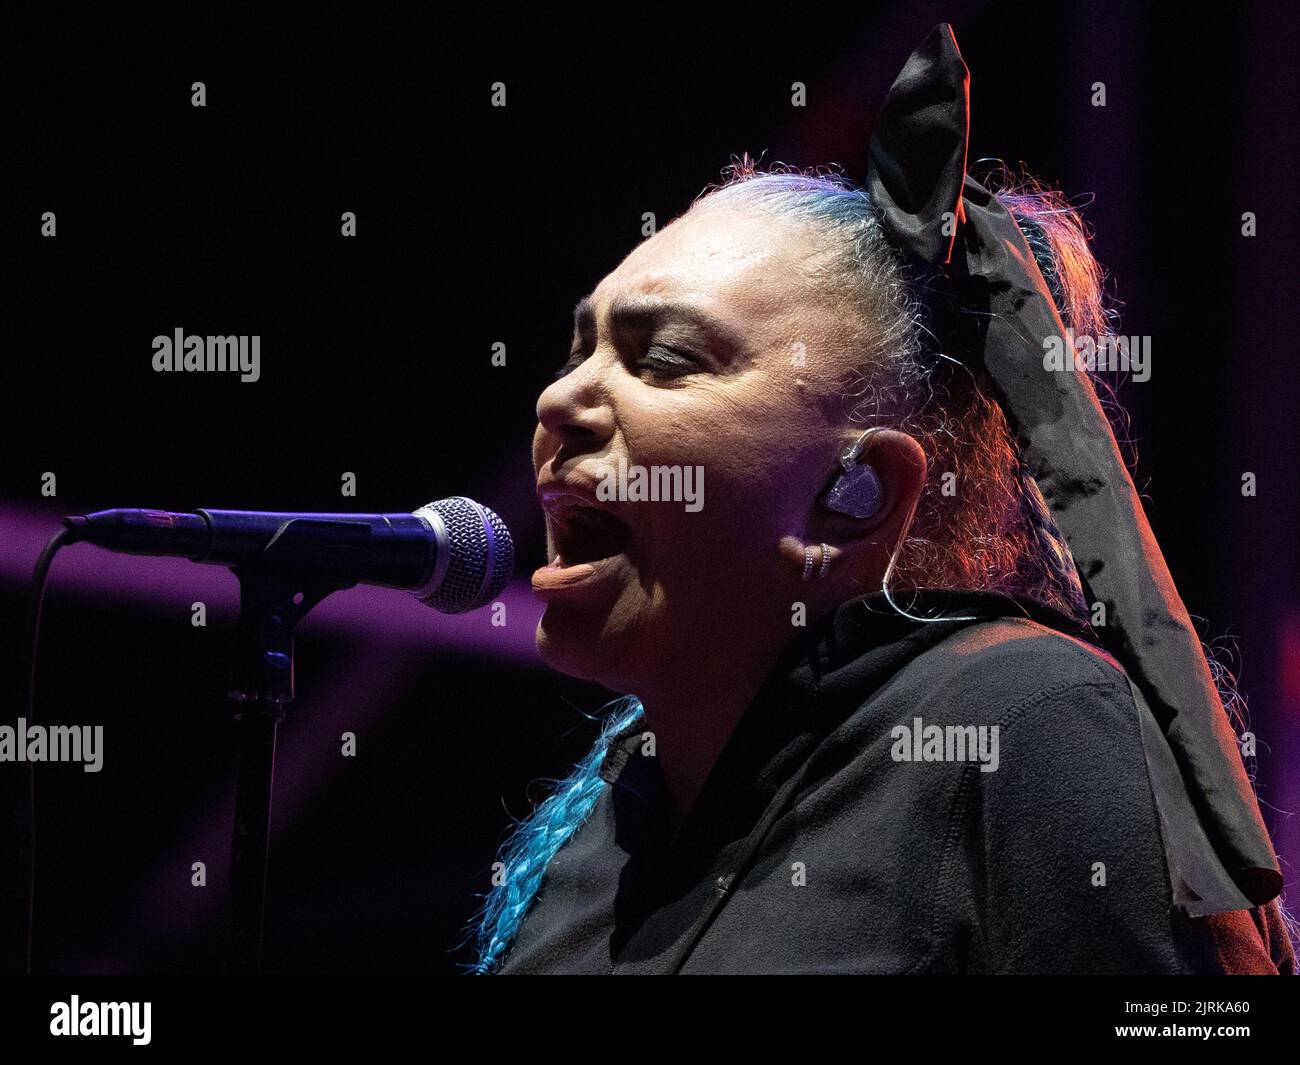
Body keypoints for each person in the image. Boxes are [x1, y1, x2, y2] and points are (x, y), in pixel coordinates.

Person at [470, 25, 1296, 975]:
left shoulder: (1029, 729)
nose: (558, 399)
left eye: (661, 360)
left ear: (855, 497)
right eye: (582, 352)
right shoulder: (596, 834)